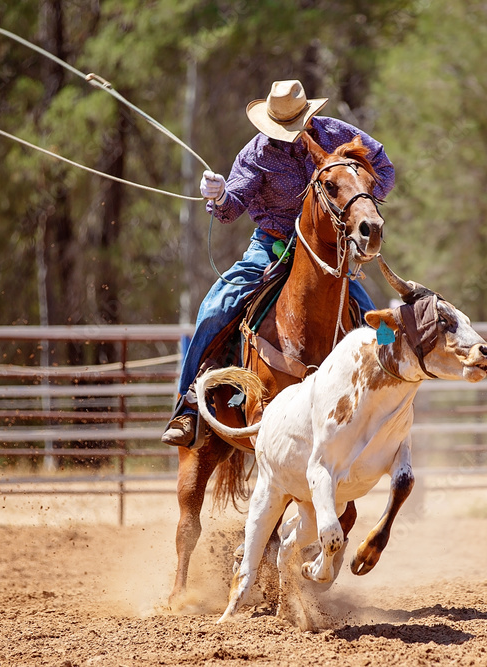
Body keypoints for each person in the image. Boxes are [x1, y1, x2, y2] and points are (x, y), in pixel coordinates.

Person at [162, 79, 395, 447]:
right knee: (215, 307)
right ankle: (188, 408)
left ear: (307, 114)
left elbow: (383, 165)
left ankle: (385, 402)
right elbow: (231, 208)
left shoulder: (338, 135)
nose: (289, 135)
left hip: (326, 251)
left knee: (375, 323)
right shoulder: (256, 154)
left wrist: (360, 206)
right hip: (272, 246)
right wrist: (220, 195)